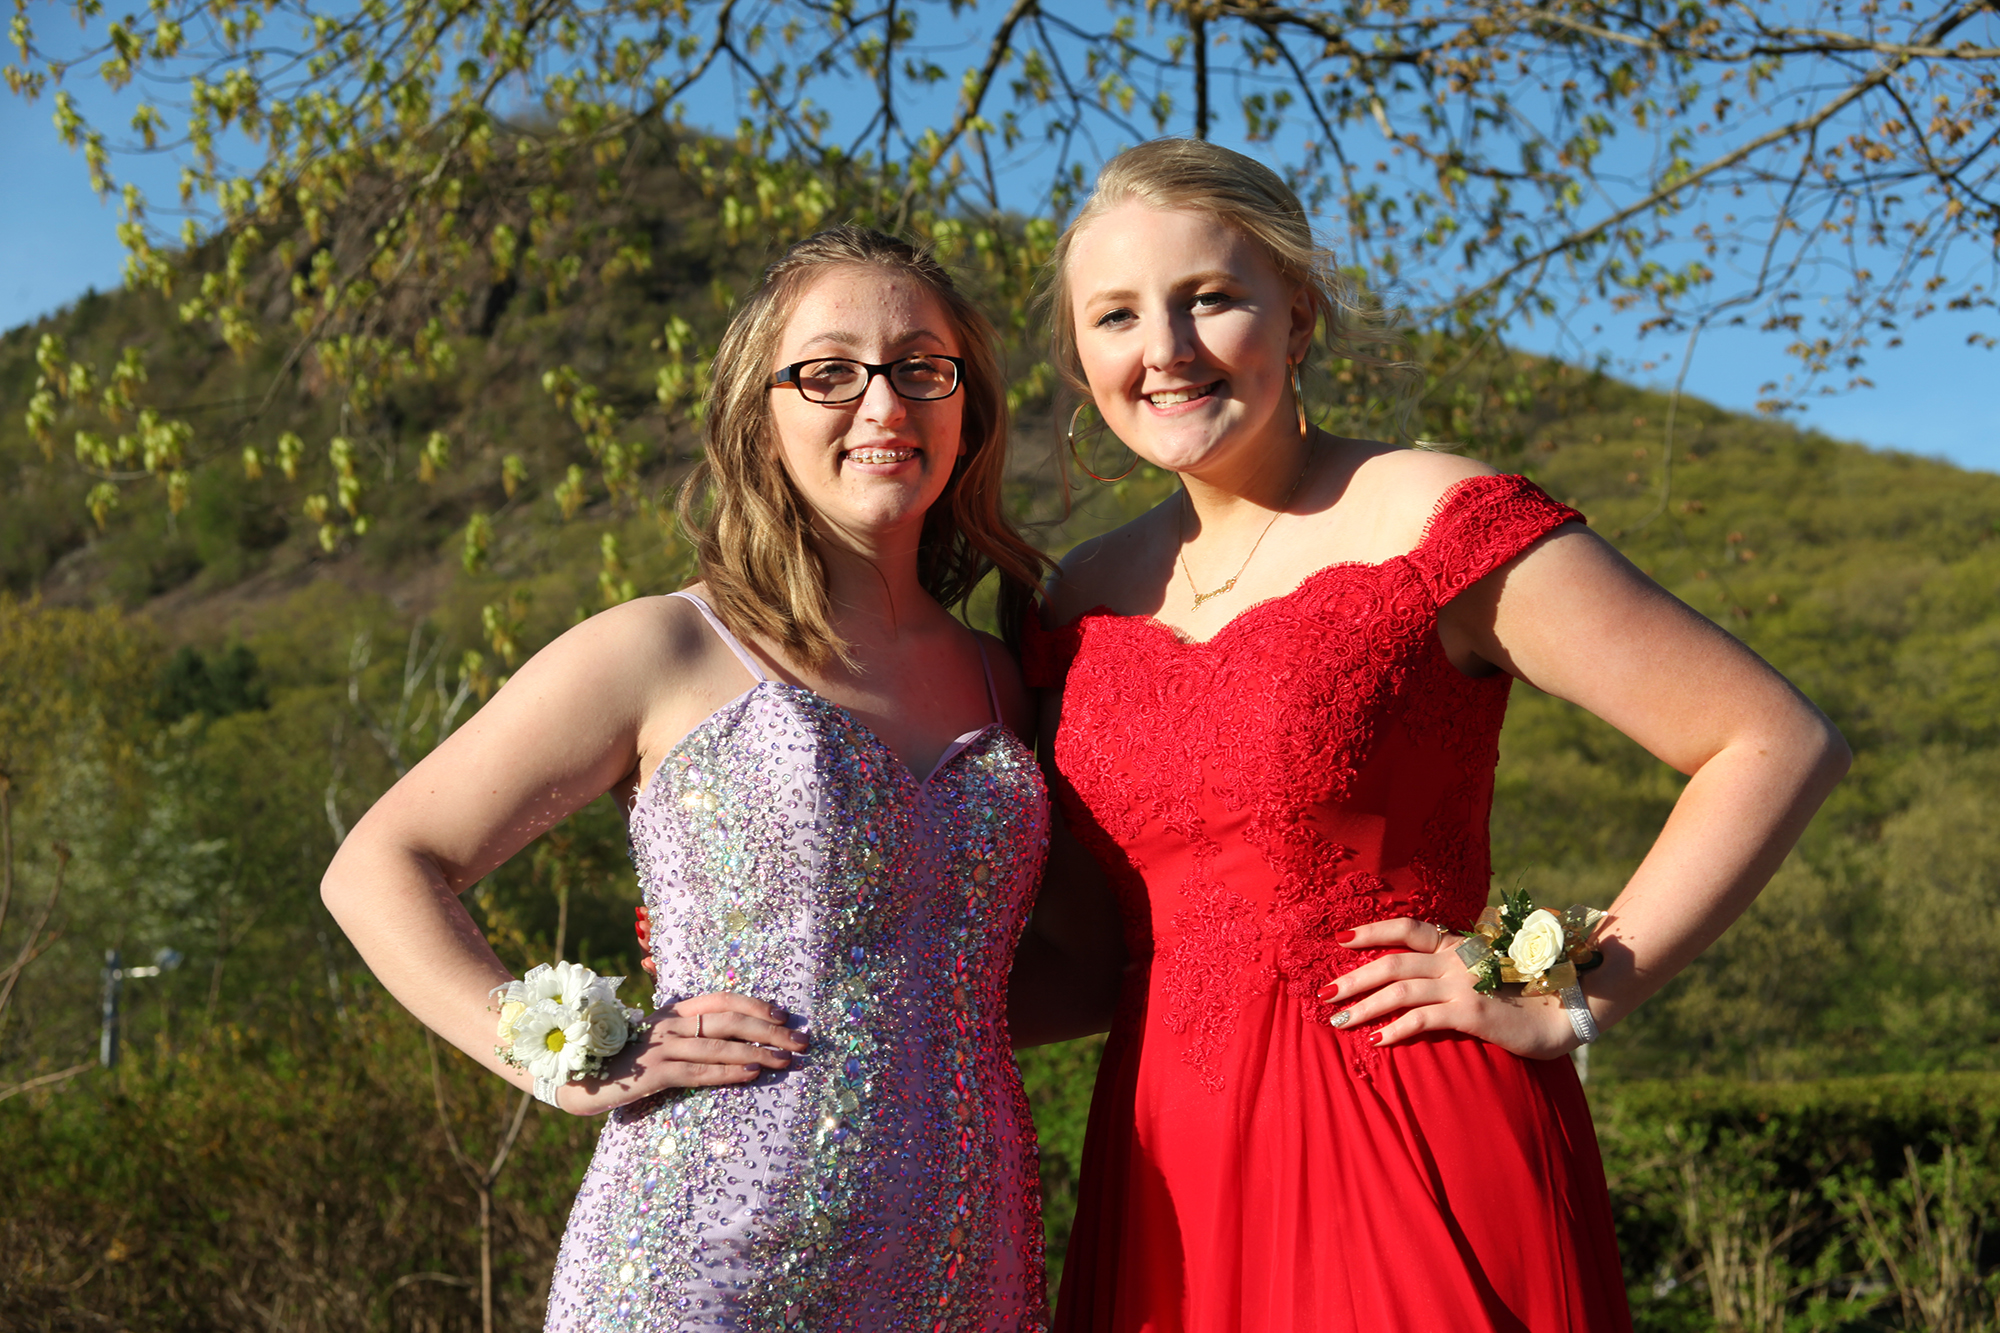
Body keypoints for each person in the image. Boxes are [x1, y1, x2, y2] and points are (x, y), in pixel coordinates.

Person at [1021, 139, 1851, 1332]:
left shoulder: (1432, 516)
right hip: (1164, 1169)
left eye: (1209, 298)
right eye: (1116, 316)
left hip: (1408, 1113)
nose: (1166, 349)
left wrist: (1559, 987)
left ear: (1295, 315)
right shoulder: (1072, 603)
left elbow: (1767, 739)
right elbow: (1087, 951)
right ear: (1079, 356)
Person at [321, 226, 1056, 1330]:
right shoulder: (664, 647)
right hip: (702, 1256)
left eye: (920, 366)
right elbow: (379, 865)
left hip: (965, 1255)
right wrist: (565, 1056)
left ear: (967, 405)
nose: (882, 403)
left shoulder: (1017, 674)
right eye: (827, 371)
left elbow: (1072, 967)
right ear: (758, 415)